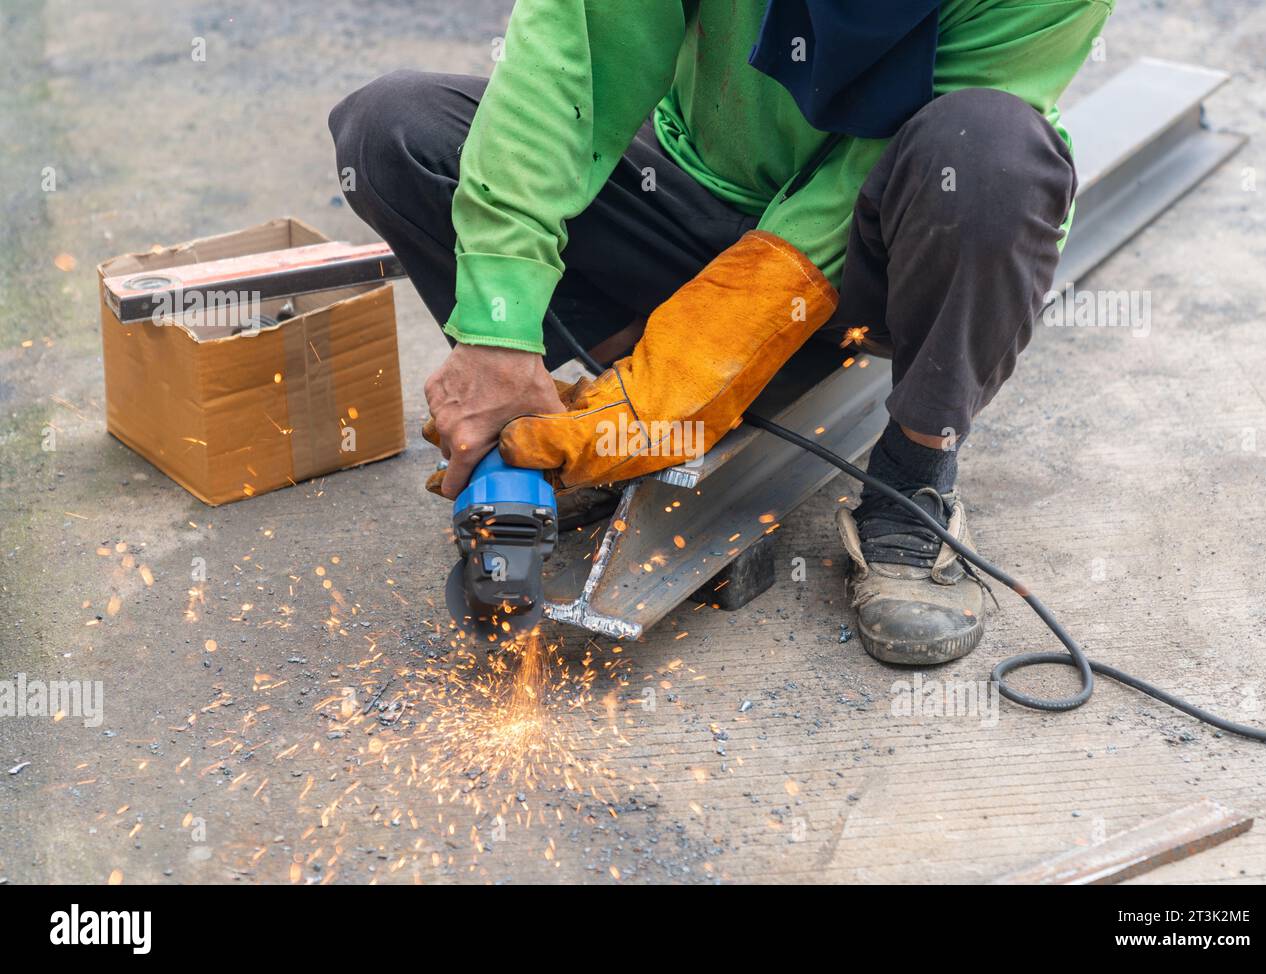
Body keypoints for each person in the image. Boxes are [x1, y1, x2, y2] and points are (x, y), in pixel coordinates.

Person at [330, 0, 1114, 664]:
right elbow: (574, 61)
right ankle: (604, 400)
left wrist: (682, 380)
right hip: (696, 195)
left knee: (992, 159)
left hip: (871, 260)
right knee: (395, 130)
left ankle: (913, 474)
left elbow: (847, 186)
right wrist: (499, 328)